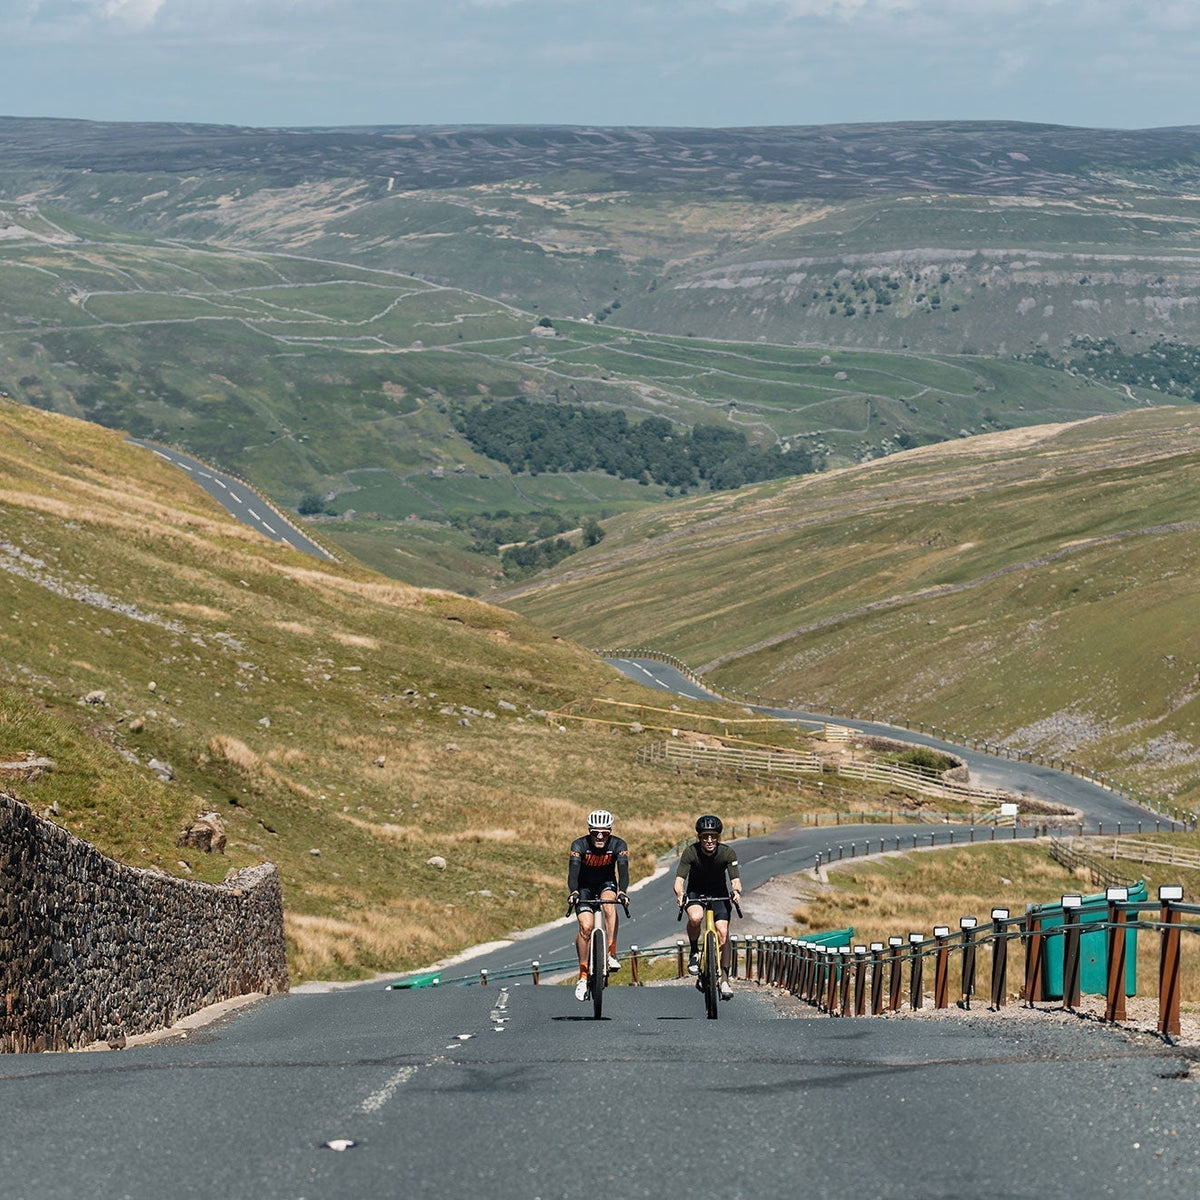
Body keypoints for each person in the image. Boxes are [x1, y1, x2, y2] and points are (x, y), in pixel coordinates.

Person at [673, 814, 742, 1000]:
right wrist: (680, 895)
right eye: (705, 837)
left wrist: (736, 891)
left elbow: (735, 880)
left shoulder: (728, 853)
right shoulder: (690, 852)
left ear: (718, 837)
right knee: (695, 917)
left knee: (723, 931)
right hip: (696, 892)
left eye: (713, 836)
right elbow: (679, 881)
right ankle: (695, 951)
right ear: (699, 838)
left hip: (719, 893)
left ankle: (725, 979)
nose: (709, 840)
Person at [567, 809, 630, 1001]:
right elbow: (573, 874)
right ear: (589, 831)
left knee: (610, 905)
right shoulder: (579, 845)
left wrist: (623, 892)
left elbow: (623, 872)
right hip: (584, 887)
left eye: (604, 832)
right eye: (595, 832)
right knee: (585, 928)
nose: (600, 837)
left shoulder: (619, 844)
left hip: (607, 883)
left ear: (610, 831)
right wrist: (574, 892)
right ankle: (583, 976)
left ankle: (611, 953)